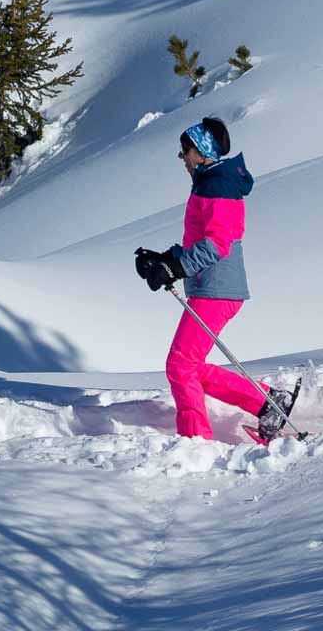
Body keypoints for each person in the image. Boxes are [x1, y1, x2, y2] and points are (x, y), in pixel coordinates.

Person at [134, 116, 286, 441]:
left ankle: (195, 442)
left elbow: (218, 244)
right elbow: (200, 242)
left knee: (180, 365)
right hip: (211, 286)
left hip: (217, 288)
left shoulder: (218, 186)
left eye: (185, 150)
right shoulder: (211, 183)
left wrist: (176, 269)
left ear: (201, 151)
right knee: (188, 364)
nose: (181, 158)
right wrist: (166, 259)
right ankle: (269, 402)